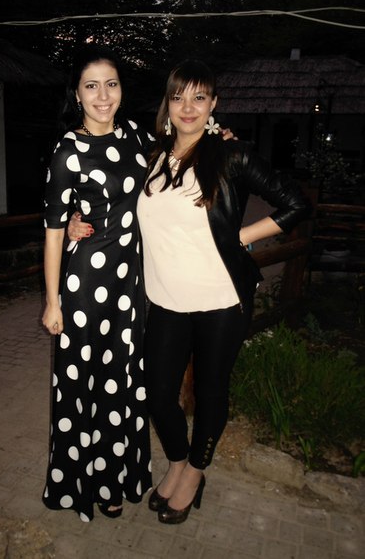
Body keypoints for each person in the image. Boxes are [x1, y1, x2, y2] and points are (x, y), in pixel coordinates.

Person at [135, 59, 310, 524]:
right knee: (157, 394)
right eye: (179, 96)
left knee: (211, 391)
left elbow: (295, 203)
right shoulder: (152, 157)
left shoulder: (231, 155)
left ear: (213, 104)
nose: (188, 107)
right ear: (167, 103)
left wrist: (241, 237)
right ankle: (177, 461)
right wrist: (74, 223)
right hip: (166, 301)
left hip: (221, 301)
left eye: (199, 97)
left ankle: (194, 472)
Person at [41, 44, 154, 521]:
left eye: (111, 84)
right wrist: (53, 302)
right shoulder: (68, 151)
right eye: (91, 86)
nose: (103, 95)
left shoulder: (138, 136)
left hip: (131, 286)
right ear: (77, 94)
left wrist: (216, 135)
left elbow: (180, 156)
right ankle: (86, 484)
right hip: (86, 286)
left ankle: (116, 477)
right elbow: (52, 233)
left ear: (122, 90)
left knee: (121, 383)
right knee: (83, 386)